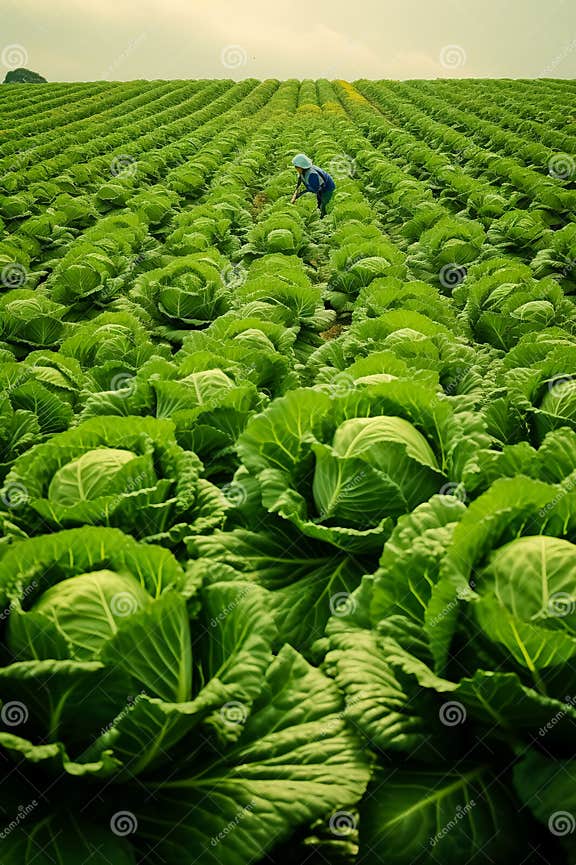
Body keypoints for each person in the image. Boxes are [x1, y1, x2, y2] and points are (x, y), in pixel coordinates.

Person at [290, 153, 335, 218]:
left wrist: (299, 195)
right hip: (317, 188)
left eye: (296, 167)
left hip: (327, 189)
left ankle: (323, 217)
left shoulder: (312, 175)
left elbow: (314, 191)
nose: (295, 168)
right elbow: (300, 180)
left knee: (323, 205)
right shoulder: (303, 171)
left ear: (301, 167)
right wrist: (296, 192)